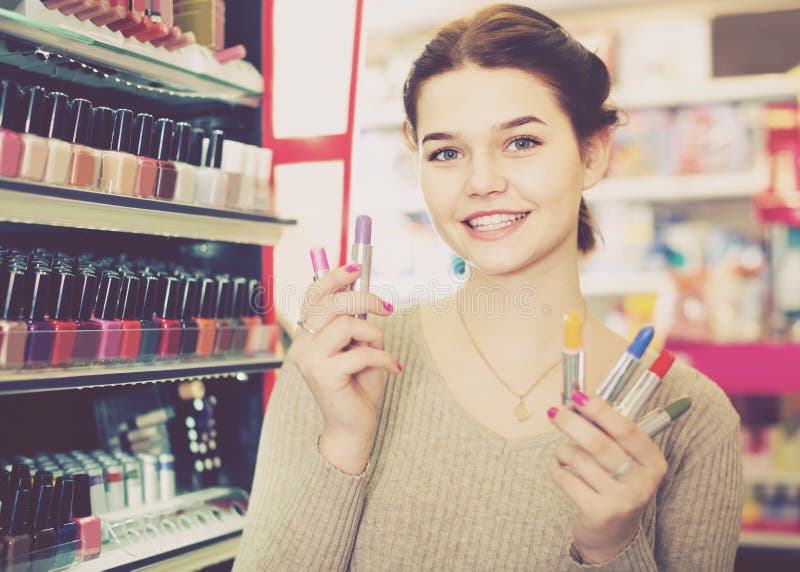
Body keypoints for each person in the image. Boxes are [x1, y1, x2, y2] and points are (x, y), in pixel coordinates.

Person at [234, 4, 742, 570]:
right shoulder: (339, 368)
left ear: (593, 153)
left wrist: (611, 548)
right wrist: (345, 446)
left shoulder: (692, 418)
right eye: (446, 152)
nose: (481, 182)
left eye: (521, 142)